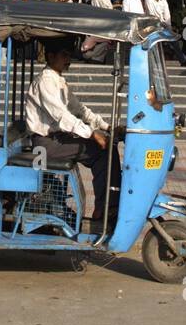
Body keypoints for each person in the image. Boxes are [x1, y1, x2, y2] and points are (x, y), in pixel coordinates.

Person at [23, 41, 119, 222]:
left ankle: (107, 206)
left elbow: (79, 110)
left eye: (69, 56)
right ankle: (106, 209)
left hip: (57, 140)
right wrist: (92, 133)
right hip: (45, 145)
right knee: (104, 151)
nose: (68, 60)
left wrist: (106, 127)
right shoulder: (46, 81)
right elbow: (61, 116)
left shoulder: (58, 81)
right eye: (64, 55)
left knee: (108, 147)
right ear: (51, 56)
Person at [145, 0, 186, 66]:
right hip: (152, 24)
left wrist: (169, 26)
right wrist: (162, 23)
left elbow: (167, 14)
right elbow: (152, 14)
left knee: (173, 41)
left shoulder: (163, 2)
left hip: (163, 25)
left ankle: (183, 60)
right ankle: (151, 62)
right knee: (153, 44)